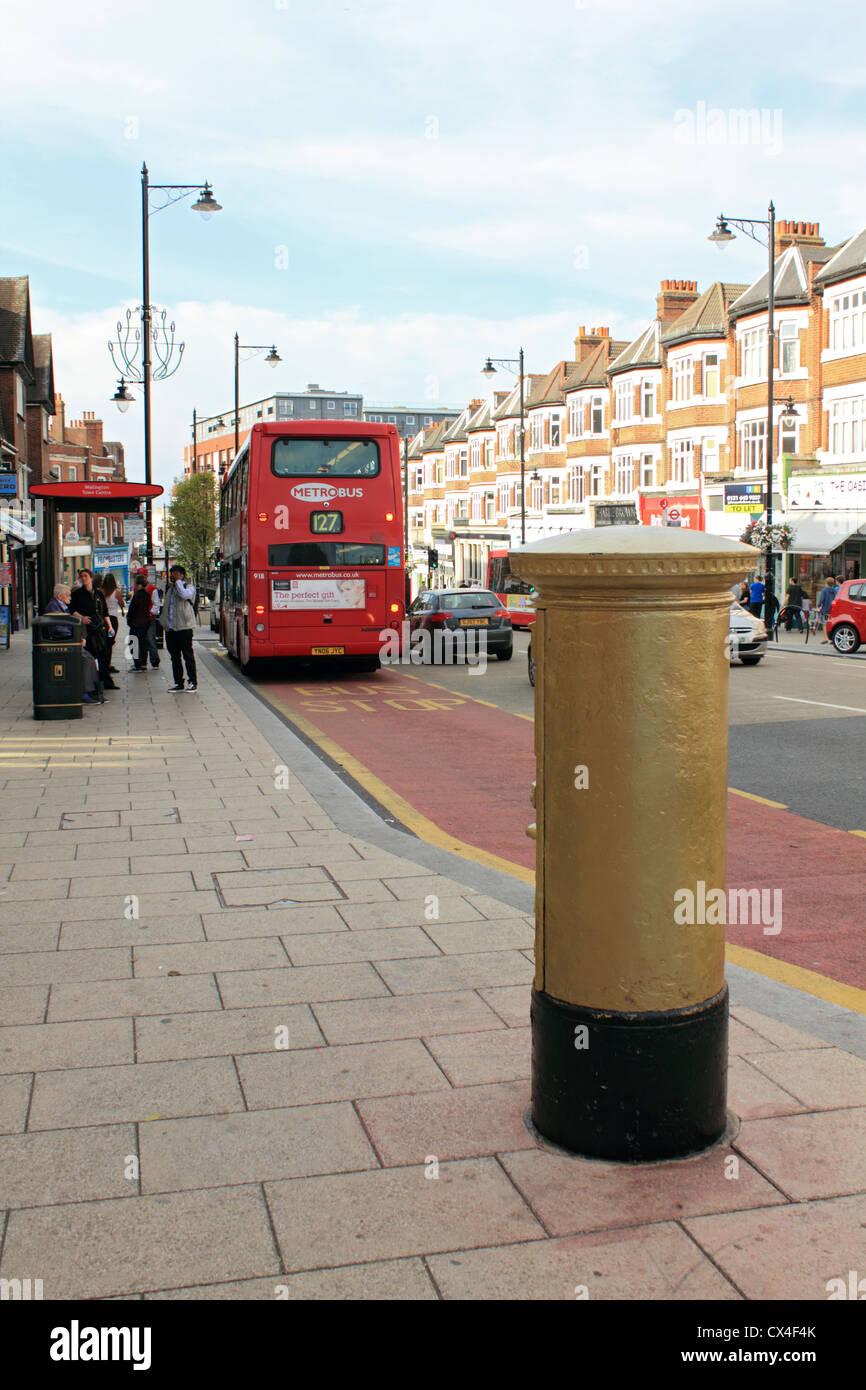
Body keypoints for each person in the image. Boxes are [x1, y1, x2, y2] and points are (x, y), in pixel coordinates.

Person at [44, 583, 101, 703]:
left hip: (69, 641)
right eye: (68, 595)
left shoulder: (61, 606)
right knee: (86, 660)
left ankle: (93, 690)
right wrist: (74, 638)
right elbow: (58, 628)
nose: (70, 598)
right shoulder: (53, 607)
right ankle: (85, 693)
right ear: (60, 596)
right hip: (62, 643)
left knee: (90, 658)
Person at [69, 569, 117, 690]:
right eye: (81, 576)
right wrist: (82, 618)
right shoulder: (77, 594)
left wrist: (110, 626)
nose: (83, 578)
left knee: (104, 655)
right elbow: (72, 610)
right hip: (86, 629)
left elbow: (104, 611)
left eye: (85, 576)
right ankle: (91, 683)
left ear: (91, 577)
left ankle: (105, 681)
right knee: (90, 655)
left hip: (100, 628)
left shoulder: (98, 594)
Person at [159, 563, 198, 692]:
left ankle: (192, 681)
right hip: (171, 629)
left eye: (176, 574)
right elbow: (167, 607)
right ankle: (178, 682)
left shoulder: (189, 587)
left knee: (187, 655)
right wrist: (164, 624)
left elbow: (184, 595)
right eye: (172, 574)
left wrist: (179, 583)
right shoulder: (170, 589)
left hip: (184, 627)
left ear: (182, 575)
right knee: (174, 657)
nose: (173, 577)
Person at [135, 567, 161, 669]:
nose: (141, 578)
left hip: (149, 619)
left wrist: (150, 613)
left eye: (143, 576)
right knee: (142, 640)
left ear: (146, 577)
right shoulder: (136, 589)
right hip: (140, 620)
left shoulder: (152, 589)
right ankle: (142, 662)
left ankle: (154, 661)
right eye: (139, 576)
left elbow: (156, 604)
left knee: (150, 639)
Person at [127, 576, 153, 670]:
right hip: (145, 622)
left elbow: (133, 609)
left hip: (136, 623)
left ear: (138, 585)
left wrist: (129, 619)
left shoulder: (137, 595)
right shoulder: (146, 595)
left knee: (133, 642)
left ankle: (137, 663)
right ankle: (143, 663)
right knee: (143, 643)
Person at [100, 572, 123, 672]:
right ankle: (108, 664)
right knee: (110, 642)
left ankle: (103, 664)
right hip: (113, 619)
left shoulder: (101, 591)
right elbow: (122, 603)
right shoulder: (116, 592)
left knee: (104, 642)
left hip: (103, 619)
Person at [817, 574, 840, 643]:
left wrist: (818, 606)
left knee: (825, 624)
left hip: (825, 609)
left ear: (826, 583)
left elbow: (821, 599)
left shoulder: (824, 590)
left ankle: (826, 638)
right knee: (832, 623)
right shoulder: (834, 591)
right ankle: (832, 638)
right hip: (833, 609)